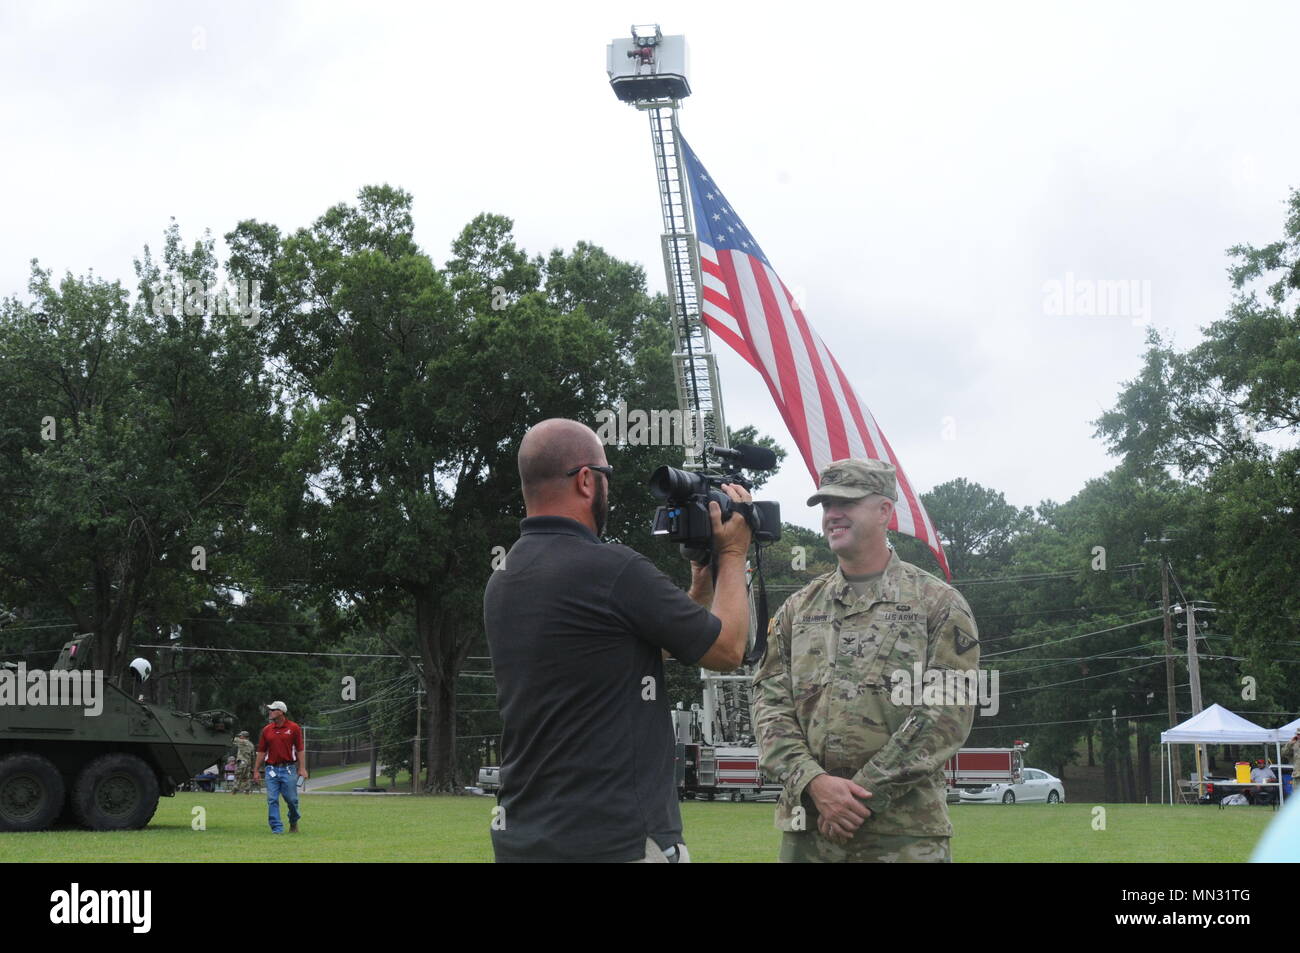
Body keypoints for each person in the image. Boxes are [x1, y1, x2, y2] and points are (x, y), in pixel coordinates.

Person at [483, 418, 754, 862]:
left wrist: (700, 589)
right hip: (618, 840)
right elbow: (727, 650)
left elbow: (619, 648)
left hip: (526, 840)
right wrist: (733, 552)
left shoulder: (505, 578)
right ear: (587, 480)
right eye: (606, 475)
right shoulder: (612, 568)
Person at [752, 458, 980, 863]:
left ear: (884, 511)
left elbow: (946, 714)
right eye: (825, 504)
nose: (832, 514)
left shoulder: (937, 604)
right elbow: (769, 706)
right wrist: (816, 783)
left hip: (903, 835)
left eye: (847, 501)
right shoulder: (797, 610)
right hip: (810, 828)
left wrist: (860, 796)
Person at [253, 701, 307, 834]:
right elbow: (261, 751)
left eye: (273, 710)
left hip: (288, 769)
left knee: (292, 800)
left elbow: (300, 749)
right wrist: (256, 770)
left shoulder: (294, 728)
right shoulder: (267, 730)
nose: (270, 712)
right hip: (271, 769)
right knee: (272, 799)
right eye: (270, 710)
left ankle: (293, 822)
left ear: (281, 712)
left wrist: (302, 768)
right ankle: (277, 829)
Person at [232, 730, 256, 795]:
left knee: (237, 776)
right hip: (248, 763)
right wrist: (253, 766)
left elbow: (233, 740)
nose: (240, 736)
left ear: (243, 736)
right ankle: (247, 791)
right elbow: (253, 756)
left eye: (241, 735)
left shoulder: (242, 741)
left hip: (241, 762)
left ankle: (234, 791)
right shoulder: (251, 744)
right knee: (246, 778)